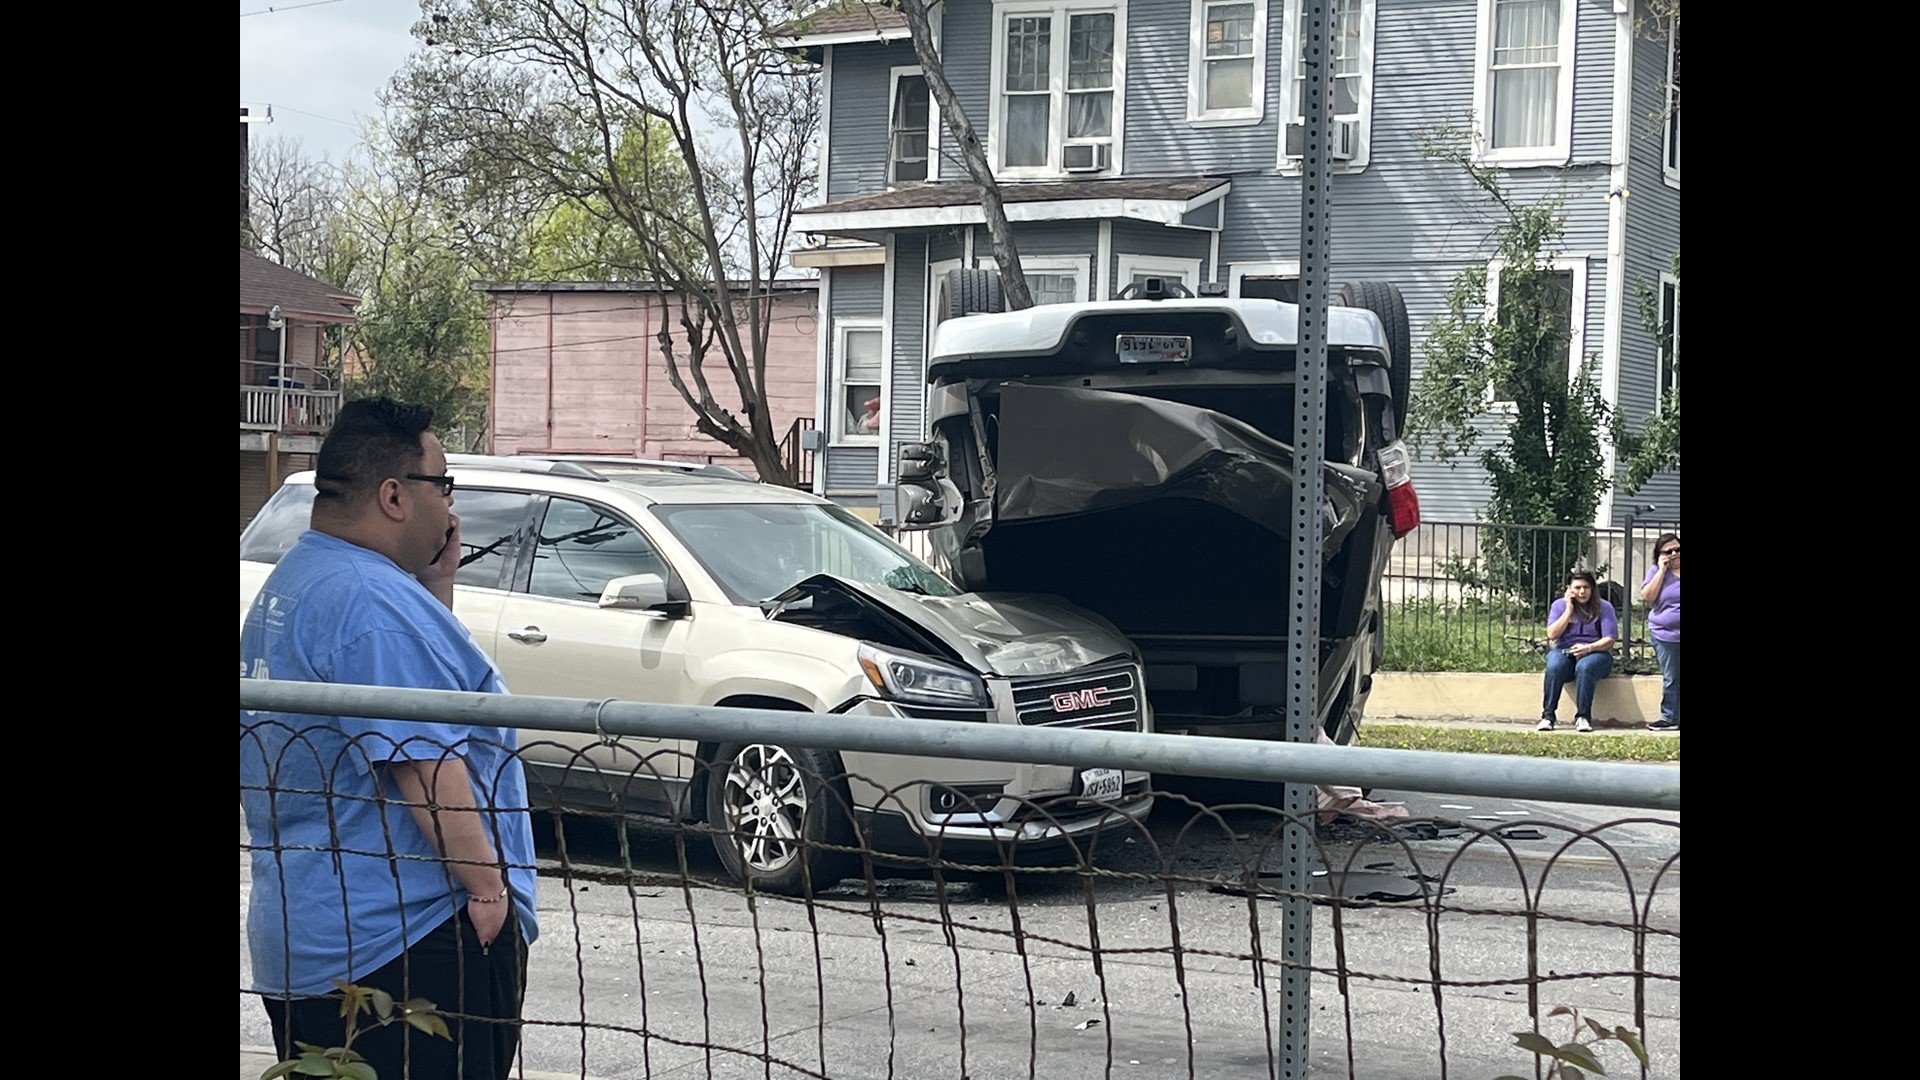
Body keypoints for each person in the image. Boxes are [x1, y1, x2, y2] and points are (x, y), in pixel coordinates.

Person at [239, 396, 539, 1079]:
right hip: (405, 944)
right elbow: (423, 761)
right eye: (443, 484)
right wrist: (488, 892)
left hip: (314, 934)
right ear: (395, 496)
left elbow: (408, 707)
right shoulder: (371, 603)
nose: (450, 505)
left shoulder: (303, 579)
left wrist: (434, 588)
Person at [1538, 569, 1618, 733]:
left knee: (1584, 667)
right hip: (1565, 650)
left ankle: (1583, 717)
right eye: (1577, 587)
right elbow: (1552, 634)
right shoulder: (1559, 606)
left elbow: (1610, 639)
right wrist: (1568, 610)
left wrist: (1588, 647)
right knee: (1554, 665)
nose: (1582, 592)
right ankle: (1548, 716)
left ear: (1592, 589)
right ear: (1569, 589)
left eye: (1586, 587)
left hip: (1596, 652)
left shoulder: (1604, 607)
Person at [1639, 532, 1681, 731]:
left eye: (1677, 549)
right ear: (1659, 554)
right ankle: (1669, 717)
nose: (1674, 554)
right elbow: (1648, 596)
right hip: (1665, 634)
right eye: (1668, 551)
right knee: (1671, 676)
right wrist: (1662, 571)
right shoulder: (1655, 571)